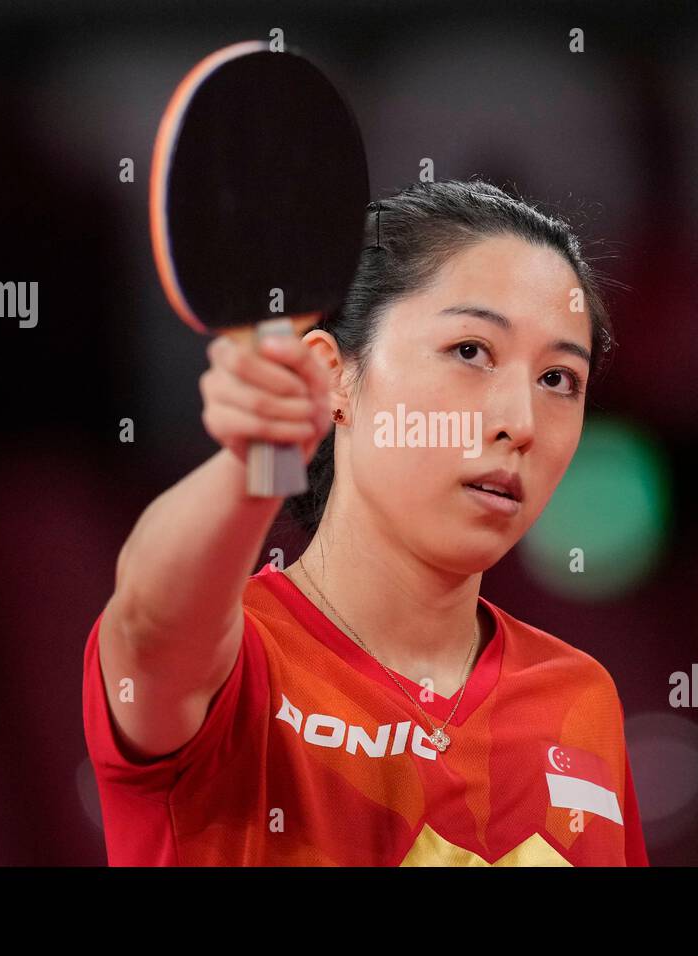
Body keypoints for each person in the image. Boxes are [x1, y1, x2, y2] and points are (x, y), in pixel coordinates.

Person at [82, 178, 650, 865]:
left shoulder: (578, 700)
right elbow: (148, 621)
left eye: (559, 379)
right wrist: (260, 460)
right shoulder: (239, 670)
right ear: (335, 377)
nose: (521, 424)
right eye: (471, 351)